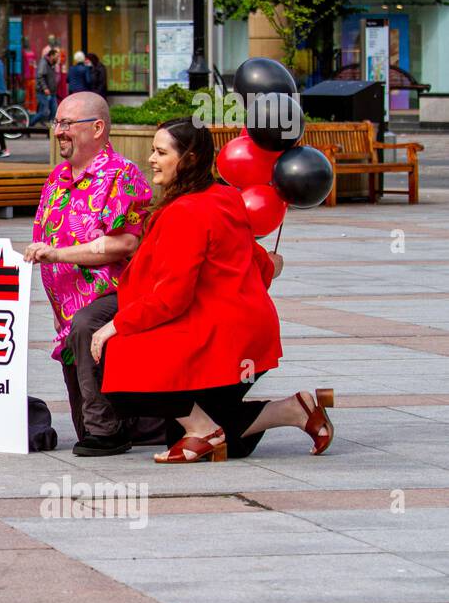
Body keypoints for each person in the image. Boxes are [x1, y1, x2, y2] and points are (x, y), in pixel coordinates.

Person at [92, 117, 336, 464]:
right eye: (153, 151)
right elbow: (250, 260)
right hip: (248, 334)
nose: (152, 159)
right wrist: (272, 266)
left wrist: (115, 325)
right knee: (209, 434)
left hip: (224, 339)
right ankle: (294, 410)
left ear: (189, 159)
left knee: (118, 356)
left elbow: (172, 297)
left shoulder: (185, 212)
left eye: (161, 152)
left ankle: (204, 430)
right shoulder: (225, 196)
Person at [23, 92, 162, 456]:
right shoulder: (57, 177)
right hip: (68, 312)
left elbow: (126, 243)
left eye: (67, 124)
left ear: (98, 128)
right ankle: (169, 421)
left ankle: (110, 433)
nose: (59, 131)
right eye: (57, 123)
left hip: (114, 297)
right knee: (85, 424)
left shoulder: (121, 174)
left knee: (98, 427)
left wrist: (57, 253)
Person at [30, 47, 60, 127]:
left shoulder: (52, 64)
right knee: (44, 112)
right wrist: (45, 88)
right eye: (56, 56)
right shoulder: (44, 63)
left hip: (52, 92)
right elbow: (40, 76)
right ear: (51, 56)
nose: (58, 58)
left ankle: (50, 129)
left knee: (54, 111)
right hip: (43, 92)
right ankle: (29, 126)